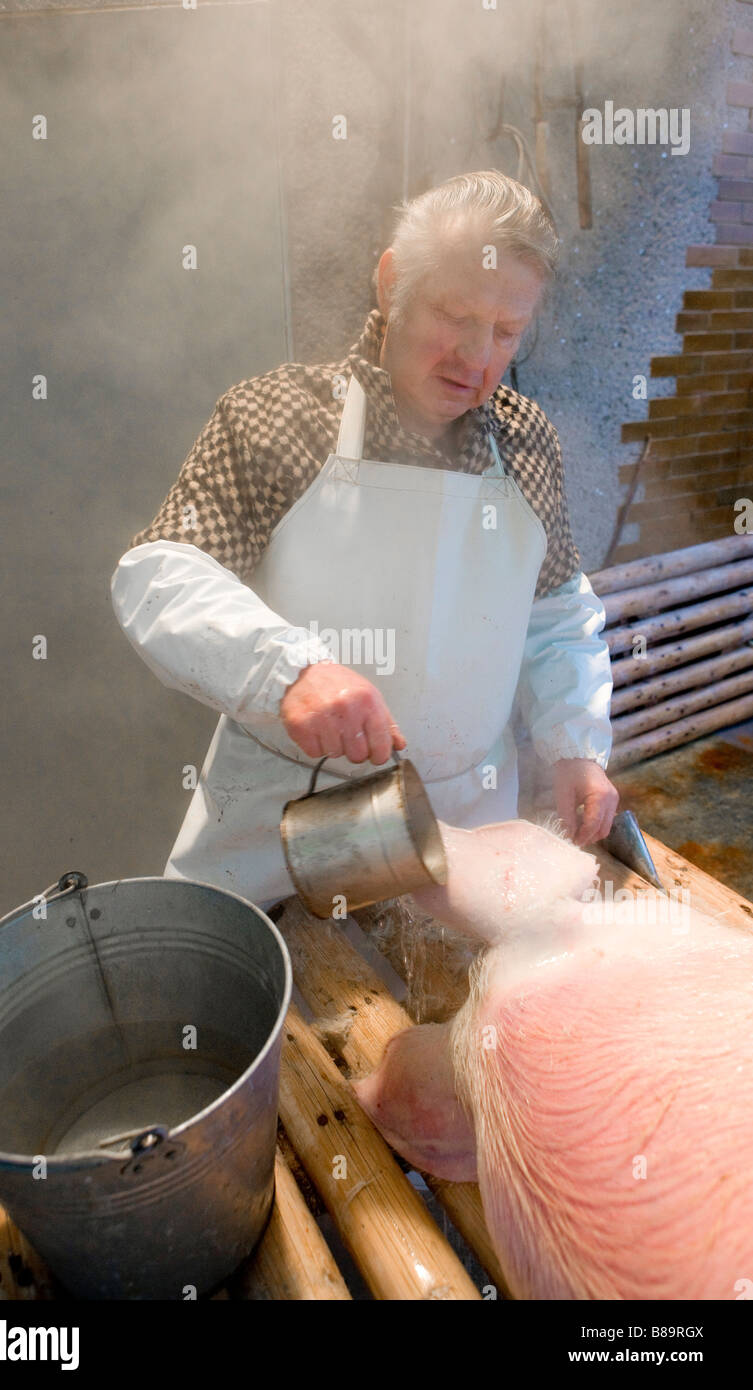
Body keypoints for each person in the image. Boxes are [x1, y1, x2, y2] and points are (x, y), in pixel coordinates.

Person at [111, 169, 618, 911]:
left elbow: (555, 610)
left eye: (505, 331)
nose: (474, 357)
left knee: (458, 1018)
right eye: (453, 314)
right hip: (279, 820)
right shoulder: (278, 416)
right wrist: (288, 672)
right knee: (257, 1017)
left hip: (461, 833)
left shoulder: (526, 440)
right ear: (390, 284)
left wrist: (575, 744)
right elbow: (158, 574)